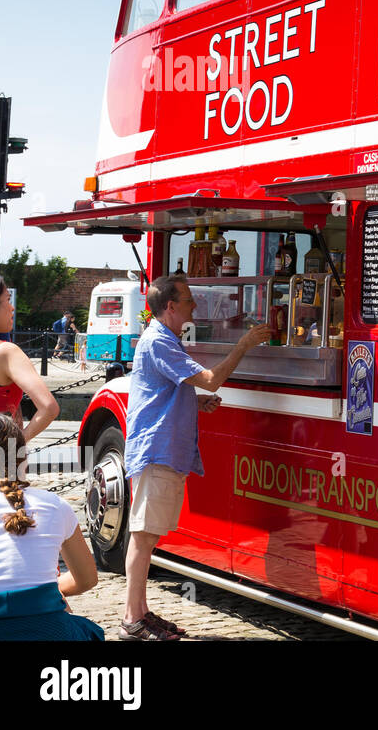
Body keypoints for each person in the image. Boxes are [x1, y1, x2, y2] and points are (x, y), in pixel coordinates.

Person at [120, 274, 270, 640]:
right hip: (157, 448)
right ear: (169, 307)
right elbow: (210, 378)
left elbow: (169, 389)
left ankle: (140, 613)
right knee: (142, 535)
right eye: (187, 300)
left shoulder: (163, 338)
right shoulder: (160, 340)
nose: (194, 305)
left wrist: (195, 401)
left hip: (162, 447)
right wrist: (244, 344)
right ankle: (131, 619)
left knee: (147, 535)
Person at [0, 413, 104, 640]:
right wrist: (45, 589)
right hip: (47, 627)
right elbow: (87, 579)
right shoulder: (54, 505)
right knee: (88, 631)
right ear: (23, 457)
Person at [0, 271, 60, 443]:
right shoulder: (6, 352)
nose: (12, 307)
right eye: (7, 299)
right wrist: (17, 444)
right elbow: (49, 408)